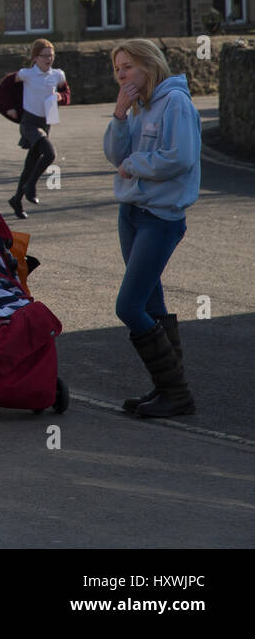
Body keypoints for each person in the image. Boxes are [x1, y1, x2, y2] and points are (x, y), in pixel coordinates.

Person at [103, 39, 199, 418]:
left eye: (127, 66)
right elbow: (114, 155)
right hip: (130, 212)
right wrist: (119, 114)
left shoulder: (175, 102)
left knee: (129, 306)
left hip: (160, 218)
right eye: (117, 69)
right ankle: (167, 391)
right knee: (151, 302)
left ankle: (178, 392)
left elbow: (181, 157)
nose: (121, 74)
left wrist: (137, 164)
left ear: (148, 64)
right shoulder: (137, 106)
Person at [6, 39, 66, 220]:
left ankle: (16, 200)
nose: (49, 59)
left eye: (51, 55)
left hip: (45, 123)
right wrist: (9, 106)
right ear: (35, 57)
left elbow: (66, 92)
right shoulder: (26, 74)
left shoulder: (58, 75)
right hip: (29, 123)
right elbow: (6, 85)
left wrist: (60, 97)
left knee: (30, 164)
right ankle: (30, 187)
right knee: (50, 154)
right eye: (45, 56)